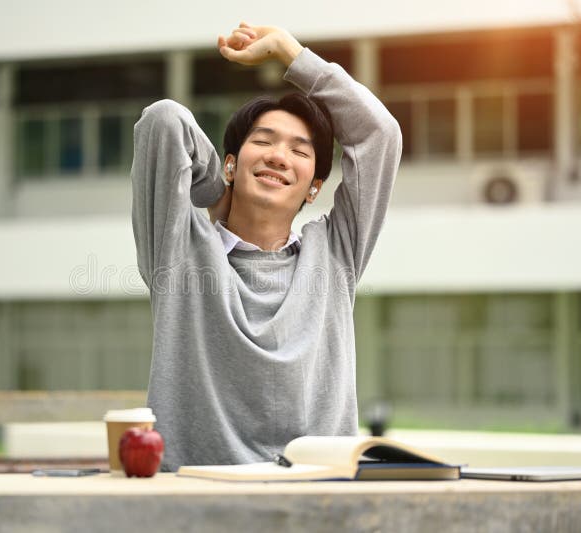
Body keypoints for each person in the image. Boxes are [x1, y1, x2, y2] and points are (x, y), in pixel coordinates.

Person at [131, 22, 401, 471]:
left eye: (300, 150)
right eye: (263, 141)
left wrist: (290, 54)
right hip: (198, 497)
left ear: (314, 188)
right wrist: (216, 190)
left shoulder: (336, 252)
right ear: (232, 163)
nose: (278, 155)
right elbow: (163, 121)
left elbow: (381, 136)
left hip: (316, 498)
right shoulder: (177, 250)